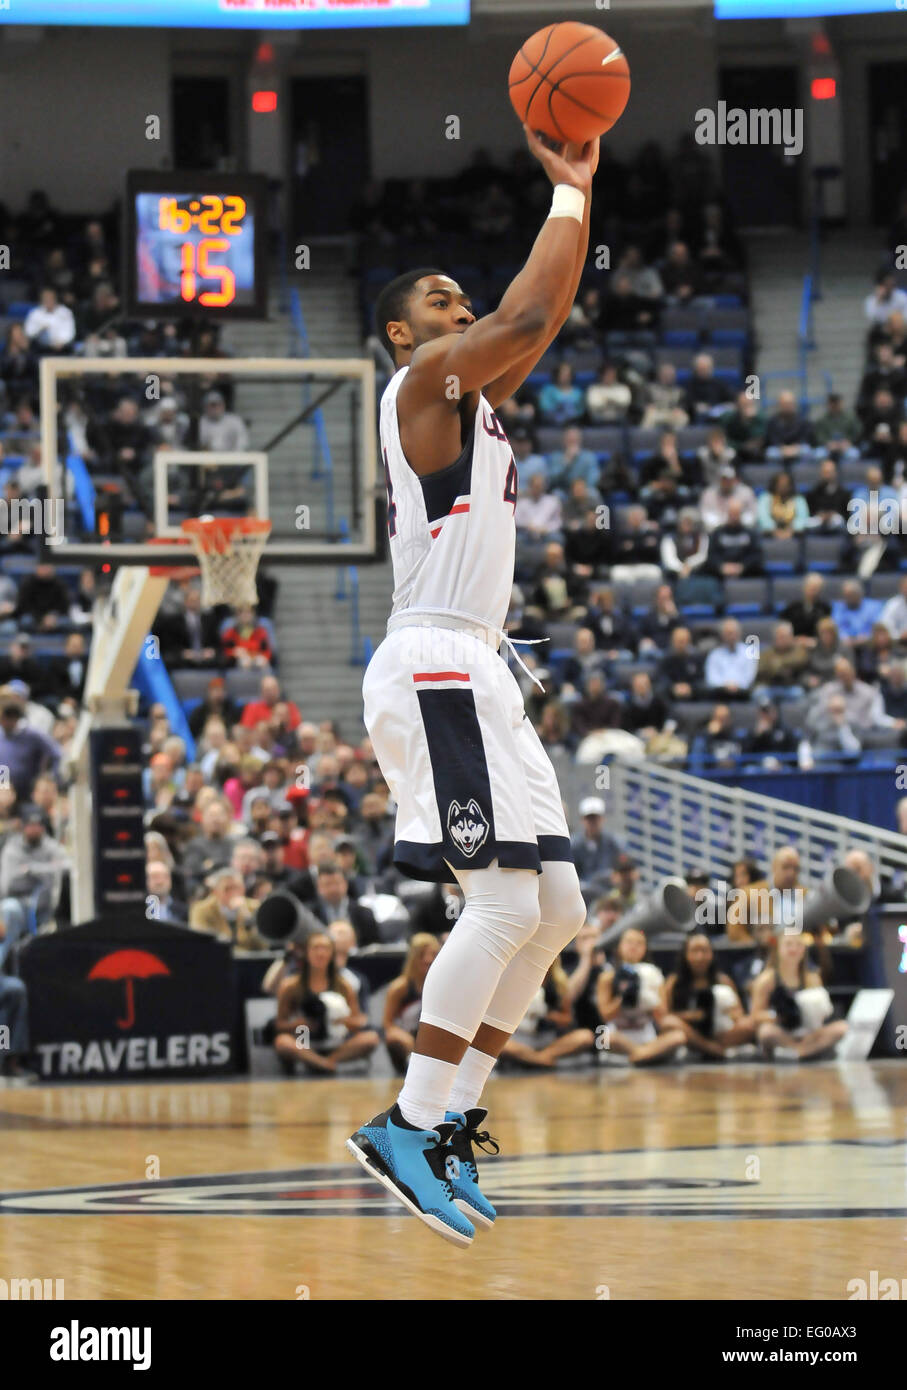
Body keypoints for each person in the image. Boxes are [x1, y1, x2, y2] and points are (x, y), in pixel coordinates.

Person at [347, 129, 593, 1245]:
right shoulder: (418, 385)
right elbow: (527, 315)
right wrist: (564, 191)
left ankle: (447, 1122)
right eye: (440, 299)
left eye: (464, 296)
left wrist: (577, 196)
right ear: (403, 333)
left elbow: (542, 314)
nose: (462, 305)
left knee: (555, 910)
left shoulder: (474, 400)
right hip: (436, 658)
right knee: (498, 904)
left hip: (481, 662)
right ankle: (403, 1123)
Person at [273, 930, 379, 1075]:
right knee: (283, 1042)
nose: (320, 953)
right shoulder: (291, 986)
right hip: (304, 1040)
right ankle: (322, 1063)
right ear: (306, 953)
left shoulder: (343, 985)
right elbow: (279, 1024)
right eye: (315, 948)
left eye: (325, 948)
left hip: (336, 1041)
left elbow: (358, 1020)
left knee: (371, 1038)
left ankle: (324, 1062)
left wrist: (342, 1020)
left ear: (332, 954)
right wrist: (299, 1023)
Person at [592, 926, 686, 1065]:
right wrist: (624, 996)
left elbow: (662, 1016)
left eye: (639, 943)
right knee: (605, 1038)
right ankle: (644, 1055)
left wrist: (647, 996)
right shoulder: (607, 977)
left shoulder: (654, 975)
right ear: (619, 947)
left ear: (645, 948)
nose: (634, 946)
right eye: (629, 942)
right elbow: (605, 1016)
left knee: (679, 1037)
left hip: (646, 1036)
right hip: (618, 1036)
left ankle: (638, 1055)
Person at [750, 933, 847, 1060]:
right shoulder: (767, 979)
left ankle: (800, 1052)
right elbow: (755, 1016)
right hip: (782, 1030)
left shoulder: (812, 977)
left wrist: (817, 1013)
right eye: (789, 944)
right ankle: (800, 1050)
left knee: (841, 1027)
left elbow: (823, 1011)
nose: (794, 949)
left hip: (808, 1031)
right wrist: (779, 1017)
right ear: (778, 948)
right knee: (766, 1032)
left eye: (799, 945)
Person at [664, 934, 755, 1059]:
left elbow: (739, 1014)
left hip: (719, 1033)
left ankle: (709, 1048)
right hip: (688, 1033)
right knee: (669, 1023)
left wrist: (727, 1013)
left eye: (704, 951)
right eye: (695, 951)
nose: (700, 957)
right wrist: (691, 1016)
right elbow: (665, 1016)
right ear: (685, 954)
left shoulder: (723, 980)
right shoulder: (673, 982)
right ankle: (710, 1049)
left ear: (712, 954)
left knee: (748, 1024)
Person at [383, 934, 441, 1075]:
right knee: (393, 1040)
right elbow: (387, 1024)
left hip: (431, 1038)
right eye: (422, 955)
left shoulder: (442, 986)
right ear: (413, 958)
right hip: (407, 1038)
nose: (428, 959)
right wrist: (405, 1039)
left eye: (433, 955)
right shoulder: (400, 987)